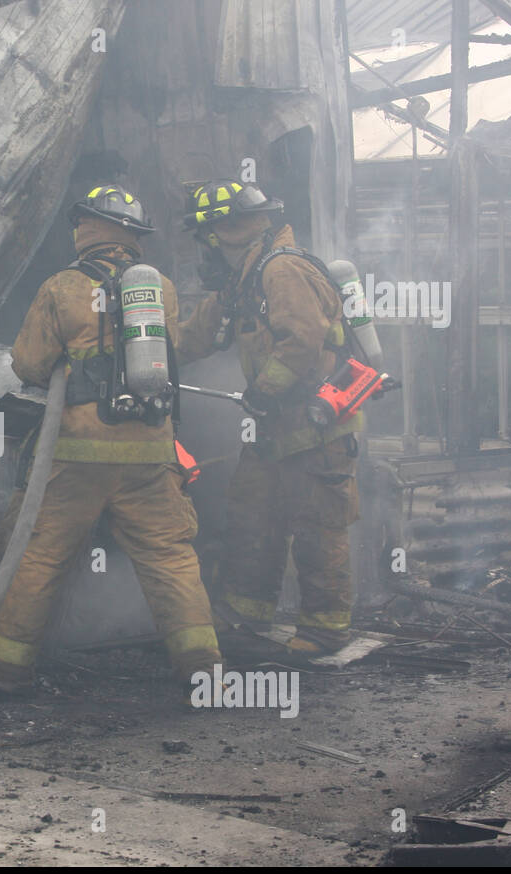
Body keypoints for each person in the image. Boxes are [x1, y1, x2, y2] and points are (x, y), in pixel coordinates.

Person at [0, 185, 223, 700]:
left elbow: (29, 364)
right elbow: (171, 354)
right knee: (170, 559)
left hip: (77, 454)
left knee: (40, 556)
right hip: (151, 451)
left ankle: (2, 673)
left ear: (86, 228)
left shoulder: (62, 287)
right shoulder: (163, 291)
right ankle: (204, 673)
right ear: (133, 237)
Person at [176, 179, 361, 658]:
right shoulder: (241, 282)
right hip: (272, 429)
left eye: (205, 235)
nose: (204, 247)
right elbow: (192, 339)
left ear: (223, 232)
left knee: (317, 524)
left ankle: (325, 629)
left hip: (316, 427)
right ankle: (247, 611)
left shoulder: (282, 269)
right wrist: (136, 352)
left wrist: (263, 390)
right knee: (253, 514)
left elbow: (302, 340)